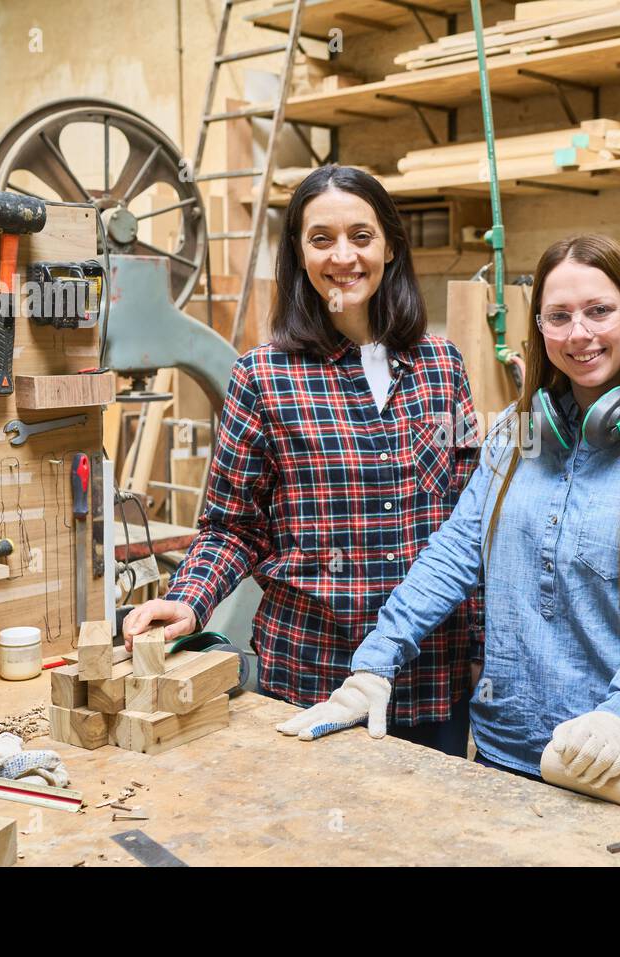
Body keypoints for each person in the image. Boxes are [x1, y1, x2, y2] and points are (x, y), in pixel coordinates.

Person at [276, 234, 620, 789]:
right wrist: (375, 662)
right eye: (558, 316)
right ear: (538, 329)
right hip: (510, 750)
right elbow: (454, 552)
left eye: (600, 311)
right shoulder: (514, 439)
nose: (579, 333)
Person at [121, 165, 482, 757]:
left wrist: (484, 649)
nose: (344, 256)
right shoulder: (261, 377)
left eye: (361, 236)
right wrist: (187, 599)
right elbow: (233, 526)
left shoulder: (444, 365)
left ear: (389, 245)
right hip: (314, 671)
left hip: (428, 674)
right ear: (299, 253)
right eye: (322, 239)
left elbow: (474, 521)